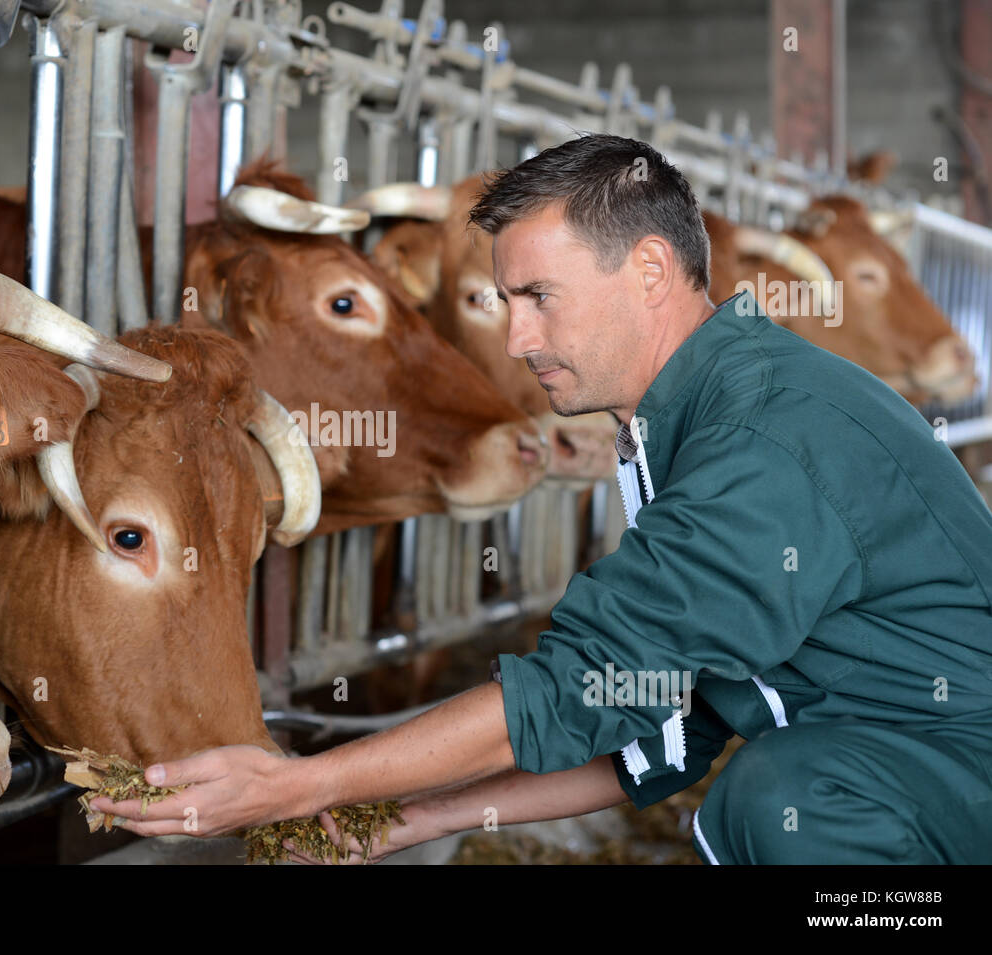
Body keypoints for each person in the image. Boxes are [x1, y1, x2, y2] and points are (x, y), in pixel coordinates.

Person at [93, 134, 992, 864]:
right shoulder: (708, 409)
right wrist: (405, 820)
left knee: (782, 797)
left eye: (539, 297)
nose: (518, 337)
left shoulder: (762, 439)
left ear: (648, 271)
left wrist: (301, 784)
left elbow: (574, 689)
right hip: (923, 762)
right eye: (504, 300)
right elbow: (663, 724)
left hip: (958, 772)